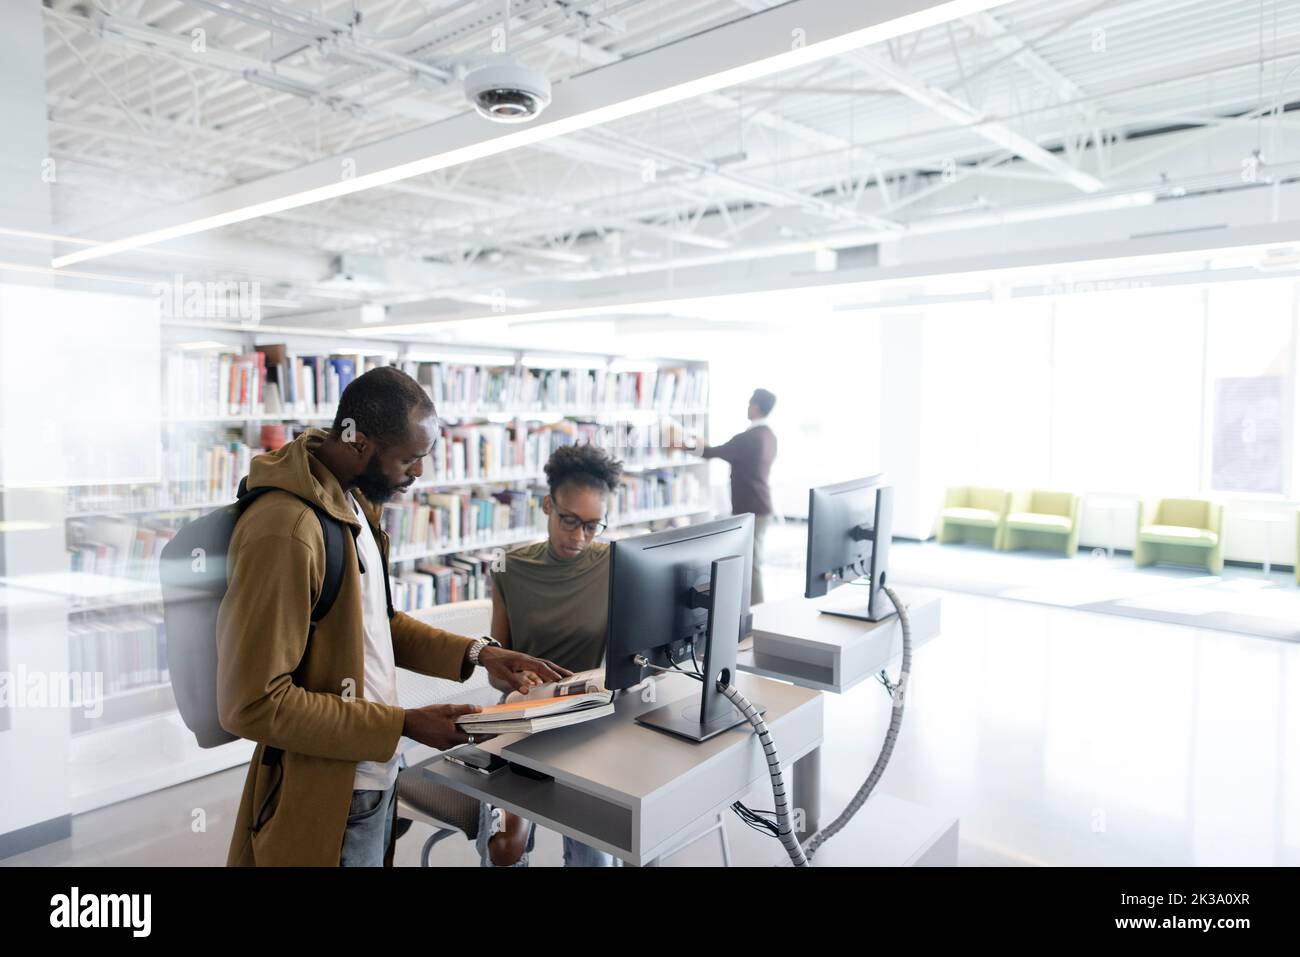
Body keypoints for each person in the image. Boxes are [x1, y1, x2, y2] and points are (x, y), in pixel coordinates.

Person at [216, 366, 567, 867]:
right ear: (361, 445)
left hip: (373, 772)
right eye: (411, 457)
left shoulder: (352, 501)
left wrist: (480, 653)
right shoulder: (288, 531)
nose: (419, 472)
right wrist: (405, 723)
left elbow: (377, 624)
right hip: (329, 790)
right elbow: (251, 704)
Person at [475, 443, 624, 867]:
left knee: (595, 850)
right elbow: (494, 668)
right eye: (569, 520)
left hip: (590, 719)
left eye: (592, 526)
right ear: (546, 506)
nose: (579, 537)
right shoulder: (509, 567)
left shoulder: (614, 564)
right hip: (525, 718)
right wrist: (515, 681)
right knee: (505, 848)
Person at [698, 388, 777, 604]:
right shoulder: (769, 436)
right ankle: (750, 609)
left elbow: (711, 452)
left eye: (749, 403)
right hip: (762, 505)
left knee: (751, 563)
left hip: (752, 508)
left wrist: (680, 443)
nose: (747, 406)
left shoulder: (749, 438)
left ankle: (757, 614)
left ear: (757, 406)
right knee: (751, 561)